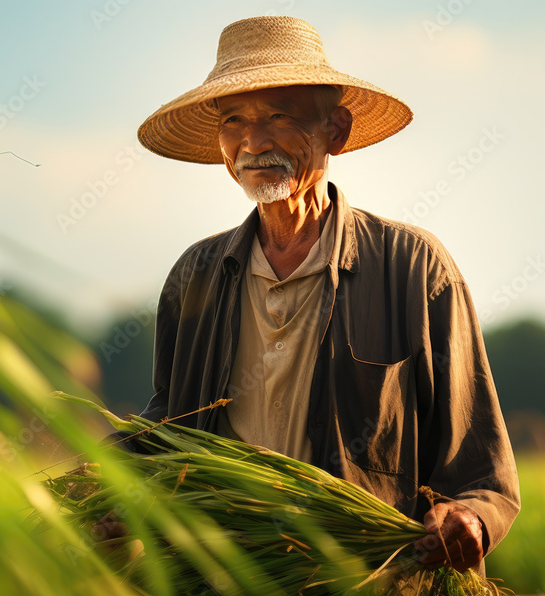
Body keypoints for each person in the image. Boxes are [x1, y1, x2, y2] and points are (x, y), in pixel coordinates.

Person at [129, 15, 520, 574]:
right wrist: (104, 481)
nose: (253, 141)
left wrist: (469, 519)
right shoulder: (195, 275)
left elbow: (480, 471)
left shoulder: (413, 269)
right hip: (221, 576)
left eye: (279, 116)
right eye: (233, 119)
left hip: (369, 579)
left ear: (335, 129)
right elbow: (168, 423)